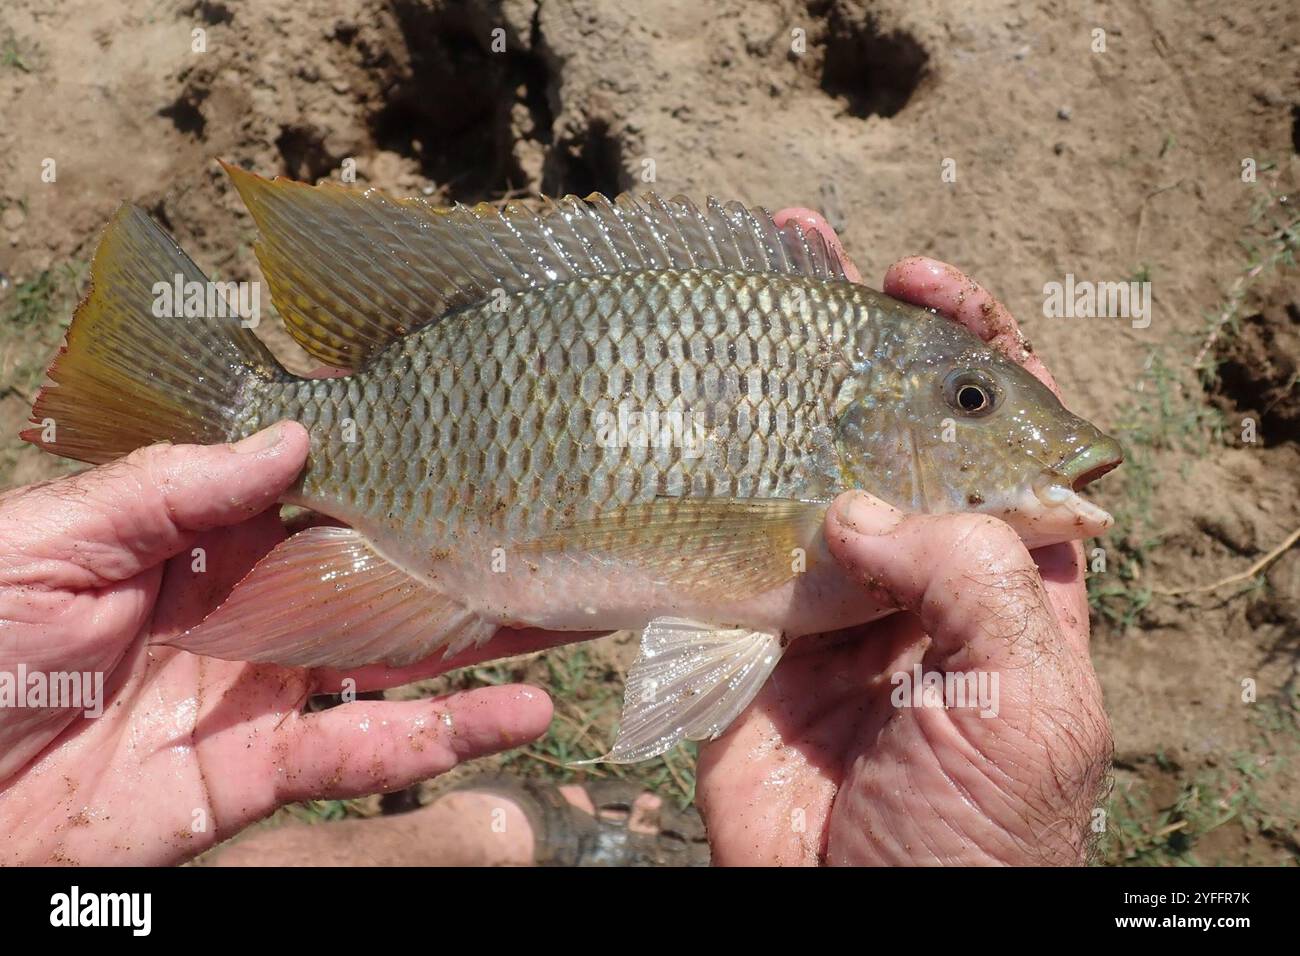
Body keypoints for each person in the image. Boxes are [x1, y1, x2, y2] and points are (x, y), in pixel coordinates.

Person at [0, 209, 1111, 866]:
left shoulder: (859, 547)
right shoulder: (848, 538)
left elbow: (719, 619)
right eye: (970, 402)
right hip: (424, 540)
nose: (998, 422)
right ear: (874, 422)